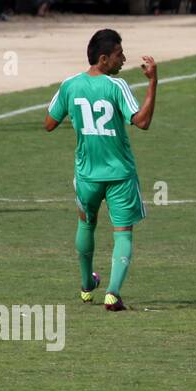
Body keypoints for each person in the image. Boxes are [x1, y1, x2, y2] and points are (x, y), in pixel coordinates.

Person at [44, 29, 158, 312]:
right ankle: (112, 293)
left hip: (87, 175)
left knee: (86, 224)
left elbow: (49, 123)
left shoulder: (70, 85)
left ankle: (86, 286)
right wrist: (153, 82)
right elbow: (142, 122)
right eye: (119, 54)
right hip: (120, 174)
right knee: (123, 233)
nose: (124, 59)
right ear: (104, 59)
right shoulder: (116, 86)